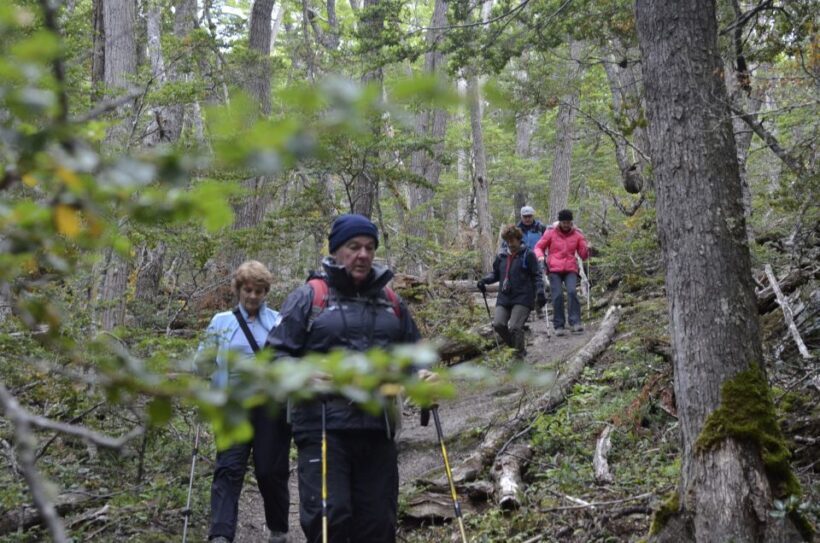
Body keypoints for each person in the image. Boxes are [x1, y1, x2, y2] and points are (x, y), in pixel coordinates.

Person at [267, 214, 433, 543]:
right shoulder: (308, 298)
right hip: (322, 426)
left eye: (370, 247)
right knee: (330, 519)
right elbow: (273, 357)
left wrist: (423, 375)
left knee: (379, 524)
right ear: (336, 250)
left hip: (377, 427)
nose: (363, 254)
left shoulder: (391, 302)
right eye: (354, 246)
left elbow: (414, 353)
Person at [196, 260, 291, 543]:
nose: (252, 296)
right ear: (238, 289)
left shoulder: (278, 321)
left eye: (259, 291)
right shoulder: (221, 322)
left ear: (266, 292)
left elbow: (289, 361)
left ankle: (278, 529)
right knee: (228, 469)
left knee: (270, 472)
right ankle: (221, 534)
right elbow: (202, 362)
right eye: (248, 290)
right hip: (232, 408)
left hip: (270, 409)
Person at [477, 224, 545, 357]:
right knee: (498, 324)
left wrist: (540, 291)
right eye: (507, 240)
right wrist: (484, 280)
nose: (510, 243)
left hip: (523, 297)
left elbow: (537, 275)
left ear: (519, 239)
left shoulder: (528, 255)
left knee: (514, 327)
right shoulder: (501, 256)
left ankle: (518, 357)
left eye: (512, 240)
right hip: (504, 297)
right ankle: (517, 348)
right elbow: (495, 274)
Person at [534, 209, 589, 336]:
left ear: (571, 222)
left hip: (570, 268)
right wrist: (541, 257)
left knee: (572, 292)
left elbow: (583, 255)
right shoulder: (550, 232)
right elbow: (538, 247)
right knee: (557, 295)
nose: (566, 225)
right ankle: (559, 325)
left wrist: (587, 249)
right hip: (554, 269)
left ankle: (575, 322)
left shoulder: (577, 234)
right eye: (564, 222)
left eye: (568, 222)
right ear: (560, 221)